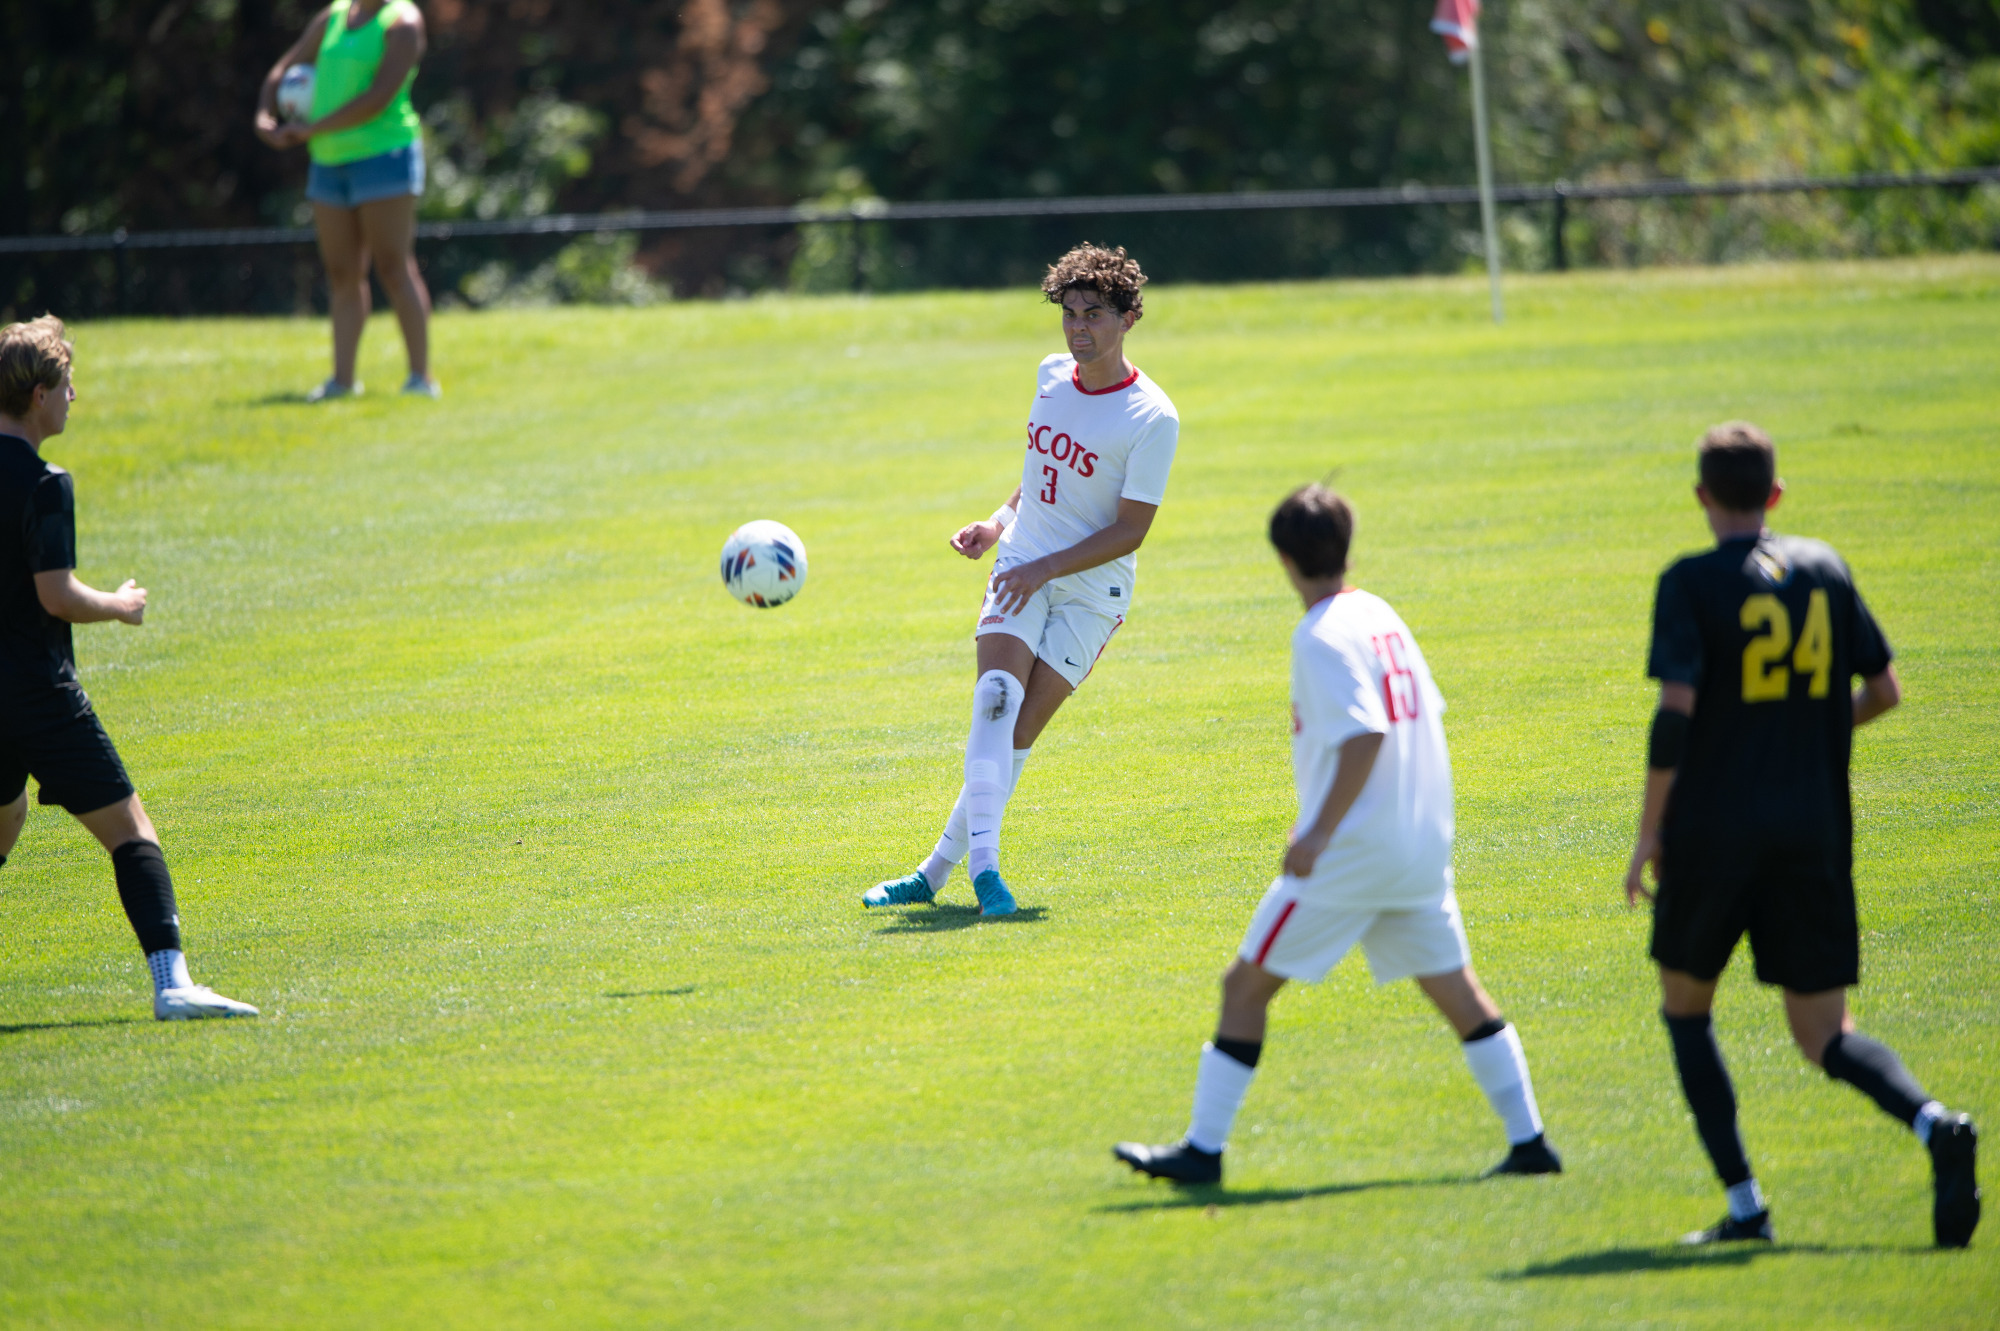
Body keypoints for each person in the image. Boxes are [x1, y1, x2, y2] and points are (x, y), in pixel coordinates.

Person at [1114, 485, 1559, 1184]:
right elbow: (1422, 718)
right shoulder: (1380, 614)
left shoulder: (1318, 634)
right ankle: (1530, 1142)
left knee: (1243, 986)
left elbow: (1364, 732)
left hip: (1354, 851)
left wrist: (1318, 830)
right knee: (1457, 991)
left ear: (1286, 559)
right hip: (1418, 844)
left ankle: (1202, 1152)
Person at [1625, 422, 1979, 1248]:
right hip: (1814, 831)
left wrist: (1649, 831)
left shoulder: (1689, 583)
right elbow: (1884, 689)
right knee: (1825, 1033)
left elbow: (1675, 717)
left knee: (1686, 1009)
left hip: (1714, 829)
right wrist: (1810, 735)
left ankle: (1746, 1206)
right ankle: (1935, 1123)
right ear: (1775, 495)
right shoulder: (1824, 567)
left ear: (1702, 496)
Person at [863, 244, 1179, 917]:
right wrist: (998, 523)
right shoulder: (1049, 375)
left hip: (1093, 591)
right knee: (995, 701)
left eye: (1093, 314)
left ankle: (929, 872)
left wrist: (1045, 568)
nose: (1077, 329)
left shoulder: (1153, 417)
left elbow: (1132, 530)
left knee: (1016, 736)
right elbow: (1039, 472)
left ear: (1128, 317)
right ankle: (985, 870)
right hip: (1021, 562)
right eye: (1069, 315)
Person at [0, 317, 257, 1021]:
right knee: (132, 831)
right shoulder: (46, 483)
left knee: (4, 821)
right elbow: (56, 595)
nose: (74, 396)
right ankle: (173, 982)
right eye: (67, 384)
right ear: (38, 394)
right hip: (39, 691)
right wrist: (118, 604)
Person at [255, 0, 439, 402]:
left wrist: (312, 128)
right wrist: (264, 114)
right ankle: (342, 381)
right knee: (342, 271)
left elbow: (378, 98)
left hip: (383, 157)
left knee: (393, 266)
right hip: (329, 160)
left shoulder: (402, 22)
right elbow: (282, 70)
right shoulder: (334, 16)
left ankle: (420, 378)